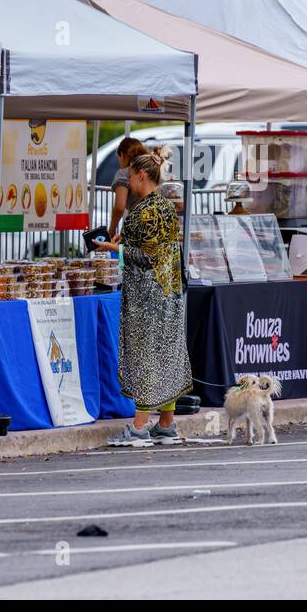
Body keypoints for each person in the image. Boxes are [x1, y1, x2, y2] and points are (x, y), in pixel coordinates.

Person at [95, 146, 192, 447]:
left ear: (140, 175)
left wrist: (114, 249)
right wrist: (125, 239)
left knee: (146, 355)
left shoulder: (143, 211)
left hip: (147, 297)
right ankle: (166, 424)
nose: (128, 185)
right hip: (172, 293)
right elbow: (161, 249)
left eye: (129, 178)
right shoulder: (165, 207)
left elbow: (146, 257)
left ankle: (139, 426)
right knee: (168, 355)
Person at [108, 137, 150, 237]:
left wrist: (111, 230)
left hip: (136, 226)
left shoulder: (123, 173)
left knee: (125, 252)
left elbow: (119, 207)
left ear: (122, 155)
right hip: (156, 225)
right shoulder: (152, 170)